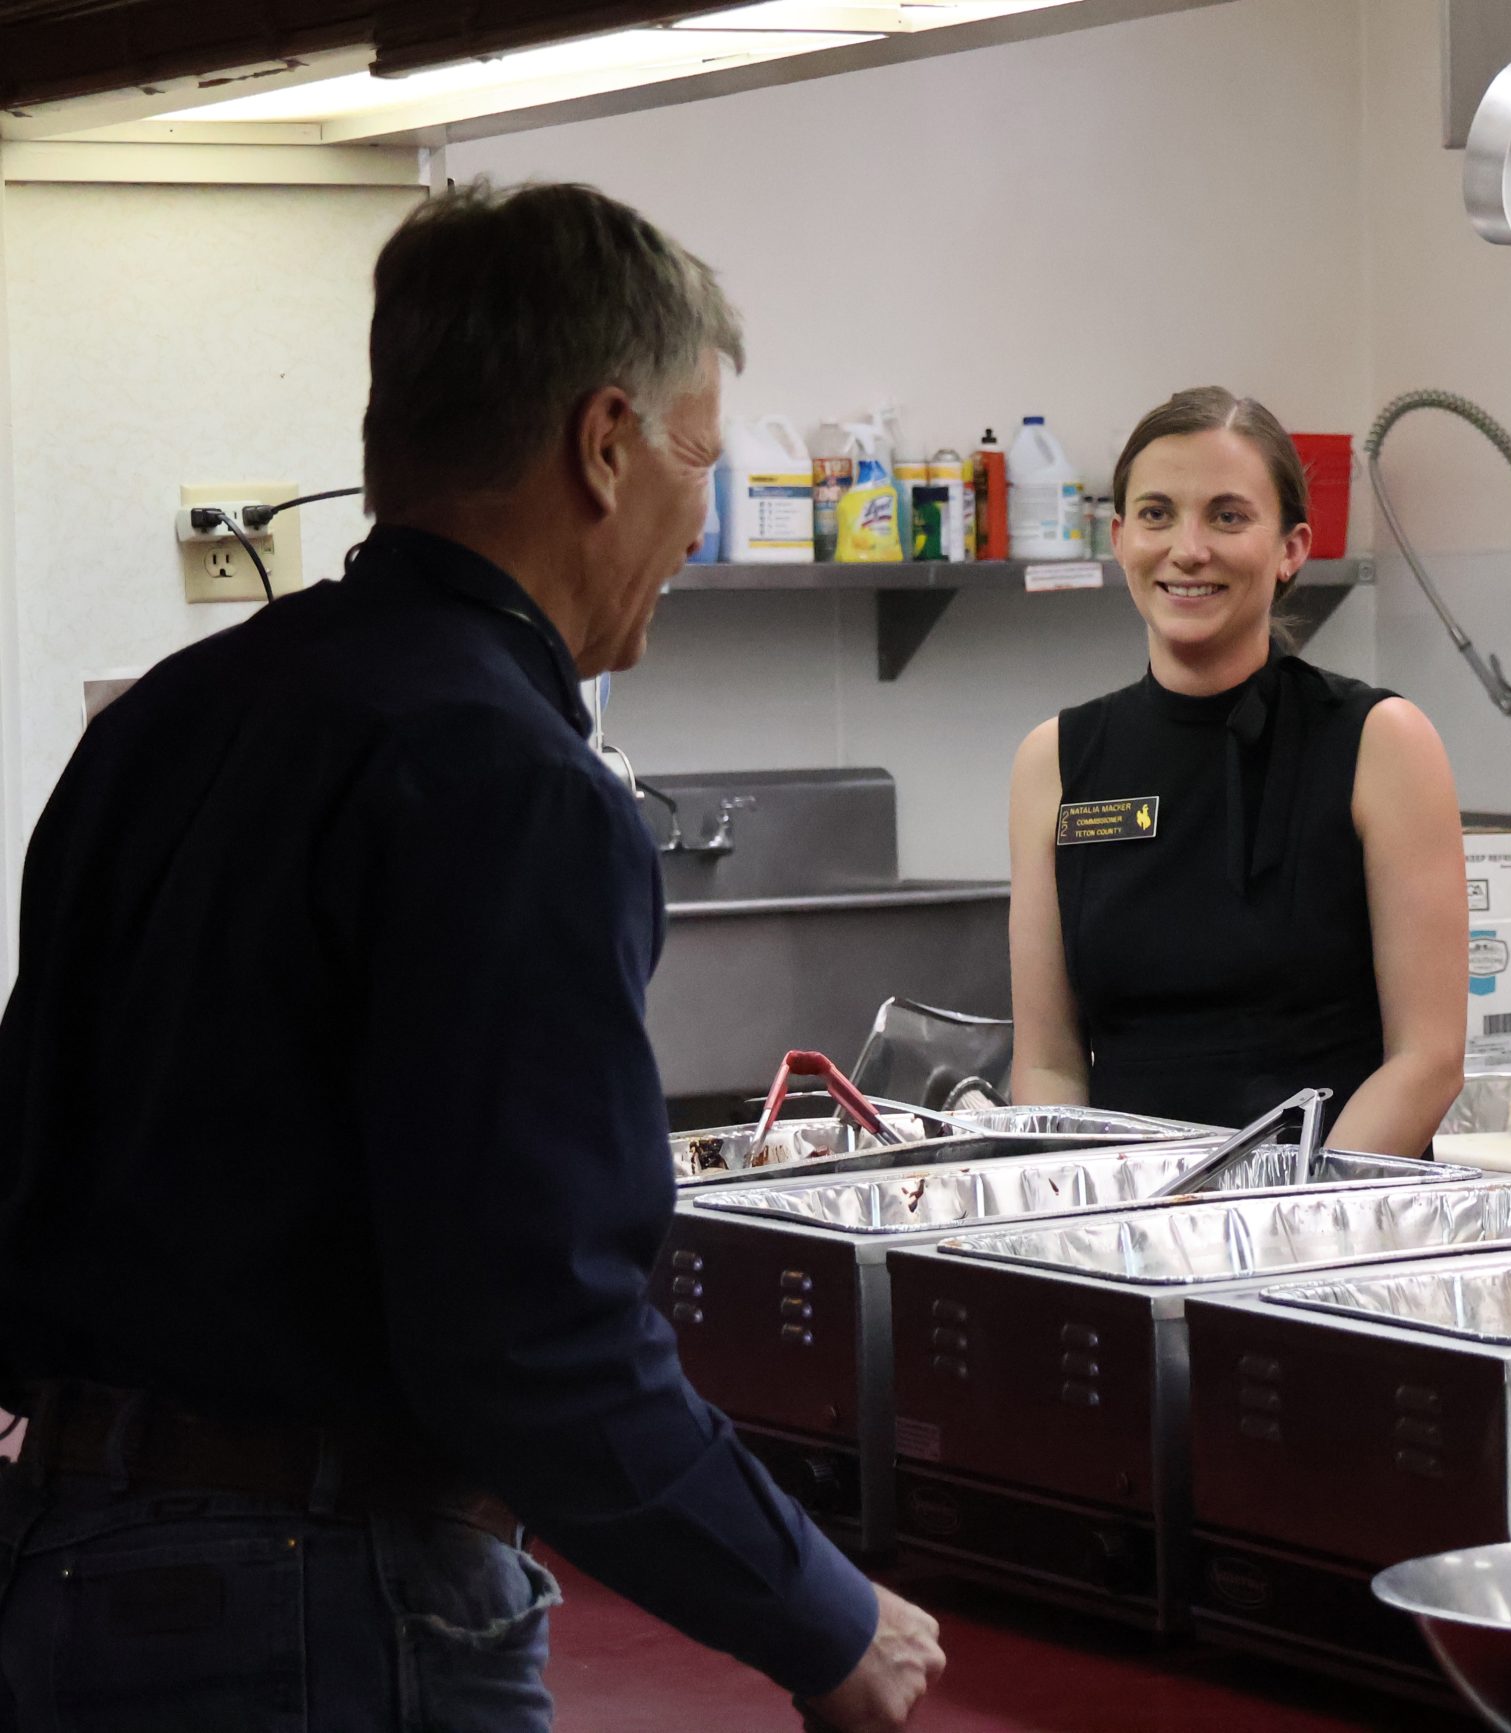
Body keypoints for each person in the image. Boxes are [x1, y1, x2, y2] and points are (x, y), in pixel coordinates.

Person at [0, 181, 942, 1730]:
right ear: (605, 443)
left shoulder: (161, 724)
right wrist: (824, 1619)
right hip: (322, 1609)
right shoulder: (510, 780)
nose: (697, 520)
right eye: (699, 458)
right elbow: (535, 1333)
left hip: (58, 1567)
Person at [1007, 387, 1466, 1153]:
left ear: (1291, 548)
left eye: (1228, 516)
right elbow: (1048, 1064)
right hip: (1124, 1213)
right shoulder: (1053, 763)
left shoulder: (1381, 742)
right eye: (1157, 513)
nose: (1189, 548)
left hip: (1330, 1214)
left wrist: (1290, 1209)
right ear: (1119, 538)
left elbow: (1428, 1059)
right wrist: (1096, 1205)